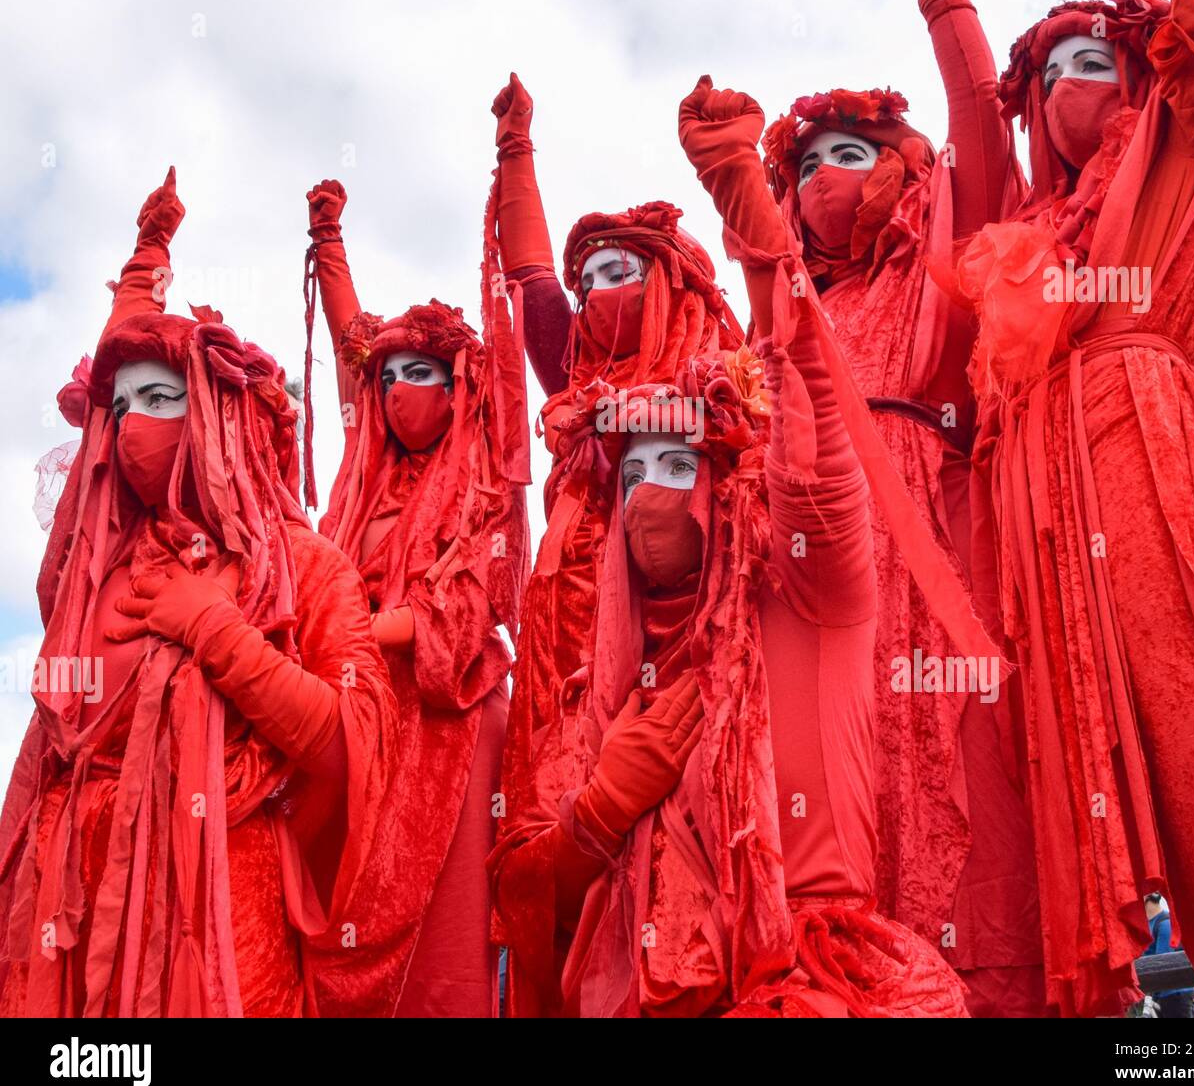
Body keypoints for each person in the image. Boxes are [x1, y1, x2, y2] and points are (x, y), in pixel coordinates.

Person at [487, 79, 971, 1018]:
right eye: (630, 471)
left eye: (676, 463)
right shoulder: (607, 698)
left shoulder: (799, 590)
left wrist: (744, 195)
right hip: (583, 689)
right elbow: (524, 887)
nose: (648, 493)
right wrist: (596, 816)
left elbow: (808, 407)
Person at [926, 0, 1194, 1016]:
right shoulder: (1023, 241)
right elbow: (973, 119)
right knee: (1077, 803)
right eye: (1048, 75)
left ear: (1140, 76)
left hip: (1147, 456)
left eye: (1093, 62)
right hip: (1042, 511)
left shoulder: (1178, 143)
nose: (1063, 90)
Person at [0, 169, 395, 1017]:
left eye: (162, 398)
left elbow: (347, 744)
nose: (134, 423)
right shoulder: (95, 568)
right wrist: (144, 269)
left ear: (215, 416)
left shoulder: (303, 564)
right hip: (74, 930)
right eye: (123, 405)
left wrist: (222, 636)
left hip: (226, 933)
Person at [756, 10, 1042, 1010]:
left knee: (957, 759)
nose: (823, 182)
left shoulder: (939, 262)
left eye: (852, 154)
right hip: (809, 550)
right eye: (802, 168)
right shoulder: (789, 308)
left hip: (931, 523)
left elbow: (975, 117)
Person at [485, 76, 744, 857]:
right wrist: (514, 153)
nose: (599, 294)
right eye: (588, 280)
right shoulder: (572, 380)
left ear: (670, 279)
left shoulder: (720, 375)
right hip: (562, 641)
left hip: (674, 653)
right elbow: (531, 281)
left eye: (620, 273)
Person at [299, 179, 529, 1017]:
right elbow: (349, 347)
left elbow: (459, 618)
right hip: (360, 712)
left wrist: (356, 626)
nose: (398, 390)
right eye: (389, 376)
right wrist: (329, 250)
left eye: (421, 373)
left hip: (451, 726)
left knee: (444, 944)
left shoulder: (481, 483)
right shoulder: (365, 479)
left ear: (457, 385)